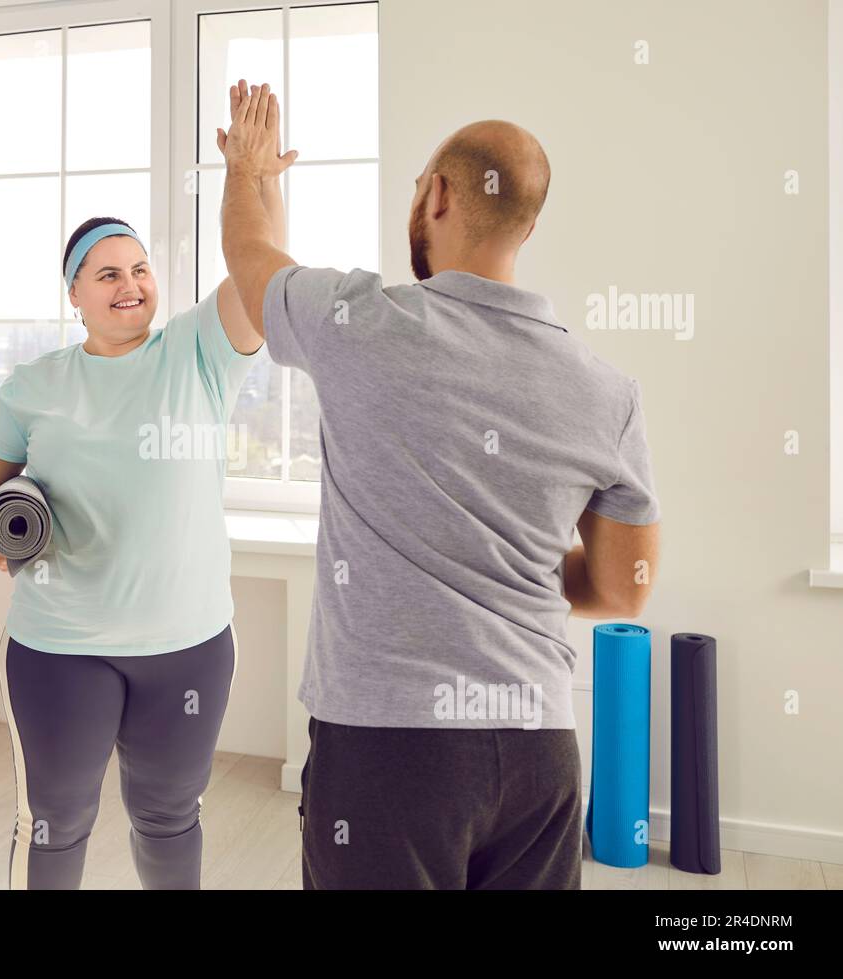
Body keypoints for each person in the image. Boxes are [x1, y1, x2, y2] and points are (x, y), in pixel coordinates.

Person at [219, 82, 662, 889]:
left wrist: (250, 171)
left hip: (387, 747)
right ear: (529, 224)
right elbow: (623, 589)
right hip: (539, 748)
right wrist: (510, 562)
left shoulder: (359, 322)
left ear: (440, 194)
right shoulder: (608, 391)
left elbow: (253, 264)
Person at [0, 82, 297, 890]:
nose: (129, 284)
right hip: (61, 646)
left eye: (140, 268)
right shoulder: (36, 383)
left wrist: (258, 179)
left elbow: (259, 276)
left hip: (189, 645)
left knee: (171, 815)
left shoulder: (197, 353)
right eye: (106, 273)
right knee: (58, 817)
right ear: (73, 293)